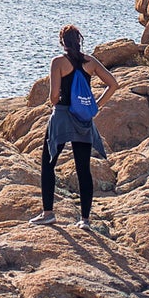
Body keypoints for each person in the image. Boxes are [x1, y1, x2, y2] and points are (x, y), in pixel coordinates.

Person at [31, 24, 119, 230]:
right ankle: (85, 220)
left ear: (62, 42)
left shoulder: (58, 62)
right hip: (82, 119)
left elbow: (54, 97)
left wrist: (56, 100)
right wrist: (96, 105)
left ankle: (48, 214)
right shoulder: (91, 62)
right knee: (83, 169)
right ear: (79, 41)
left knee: (48, 163)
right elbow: (113, 84)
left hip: (62, 116)